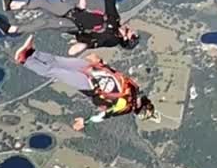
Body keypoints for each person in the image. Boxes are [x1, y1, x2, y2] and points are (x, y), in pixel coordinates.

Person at [12, 35, 155, 130]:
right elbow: (116, 75)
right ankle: (31, 53)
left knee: (56, 71)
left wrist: (85, 122)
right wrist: (102, 63)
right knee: (58, 62)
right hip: (94, 70)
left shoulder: (126, 105)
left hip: (90, 84)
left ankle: (24, 60)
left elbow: (105, 115)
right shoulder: (134, 89)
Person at [0, 0, 139, 54]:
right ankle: (11, 4)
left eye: (132, 33)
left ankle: (12, 29)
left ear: (126, 39)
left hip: (73, 25)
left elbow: (98, 41)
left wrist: (82, 45)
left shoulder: (112, 39)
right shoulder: (114, 20)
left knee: (45, 22)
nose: (130, 29)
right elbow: (110, 1)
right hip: (73, 11)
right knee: (42, 2)